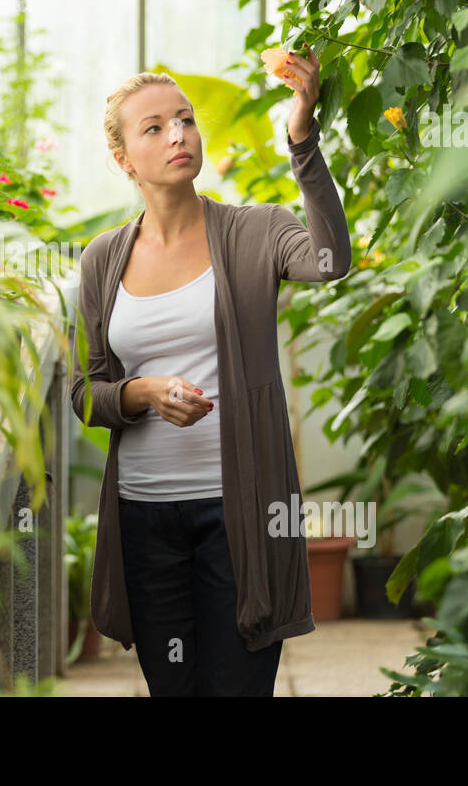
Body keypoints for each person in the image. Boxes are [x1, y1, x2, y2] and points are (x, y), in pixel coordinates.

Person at [70, 49, 351, 696]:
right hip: (145, 523)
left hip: (242, 517)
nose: (178, 135)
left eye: (186, 120)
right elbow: (88, 395)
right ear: (123, 159)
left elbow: (332, 260)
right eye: (154, 127)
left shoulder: (257, 232)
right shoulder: (102, 260)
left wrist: (302, 139)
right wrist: (140, 393)